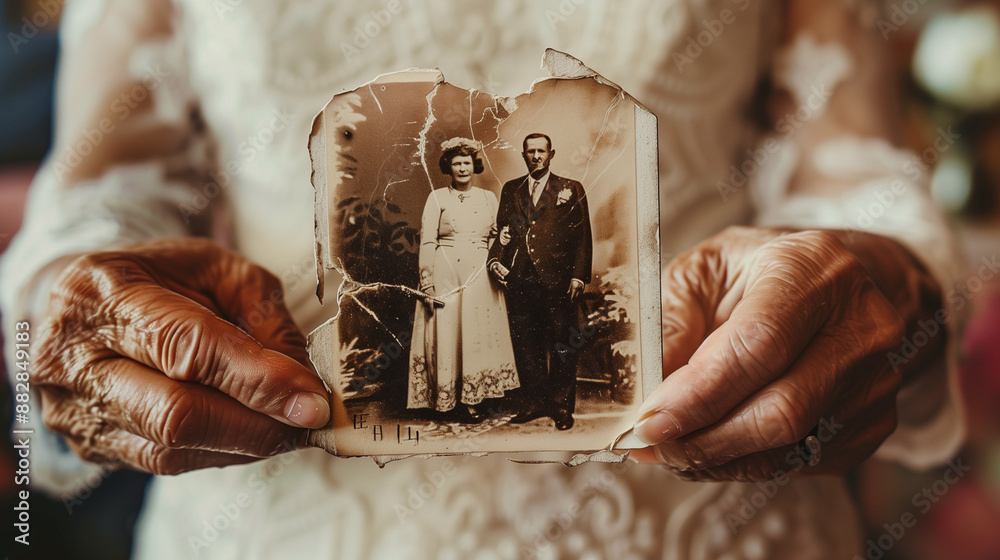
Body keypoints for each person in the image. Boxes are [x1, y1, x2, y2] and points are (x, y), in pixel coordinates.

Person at [0, 1, 968, 558]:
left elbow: (860, 172)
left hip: (706, 505)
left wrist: (883, 274)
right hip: (280, 510)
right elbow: (103, 188)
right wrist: (70, 301)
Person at [407, 137, 519, 420]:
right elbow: (428, 242)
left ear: (474, 165)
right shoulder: (437, 198)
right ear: (449, 167)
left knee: (475, 333)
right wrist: (427, 281)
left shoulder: (488, 198)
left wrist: (502, 237)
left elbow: (495, 236)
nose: (462, 168)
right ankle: (445, 398)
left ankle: (474, 399)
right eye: (456, 163)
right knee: (448, 331)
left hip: (480, 273)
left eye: (466, 163)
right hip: (447, 273)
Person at [489, 133, 592, 431]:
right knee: (526, 345)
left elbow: (582, 235)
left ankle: (561, 407)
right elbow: (502, 232)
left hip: (558, 281)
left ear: (551, 154)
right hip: (520, 279)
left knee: (562, 345)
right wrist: (498, 260)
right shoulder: (511, 189)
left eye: (541, 151)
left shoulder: (570, 188)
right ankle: (533, 403)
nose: (536, 156)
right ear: (523, 155)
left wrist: (578, 275)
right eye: (530, 151)